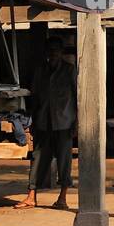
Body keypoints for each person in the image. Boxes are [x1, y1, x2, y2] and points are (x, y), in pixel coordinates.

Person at [18, 36, 77, 210]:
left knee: (64, 161)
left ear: (61, 52)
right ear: (46, 52)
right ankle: (31, 196)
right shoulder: (40, 71)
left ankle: (63, 198)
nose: (53, 53)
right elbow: (35, 98)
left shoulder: (69, 70)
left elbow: (77, 98)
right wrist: (33, 121)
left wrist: (77, 123)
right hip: (43, 122)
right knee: (37, 159)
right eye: (50, 50)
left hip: (64, 122)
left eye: (56, 50)